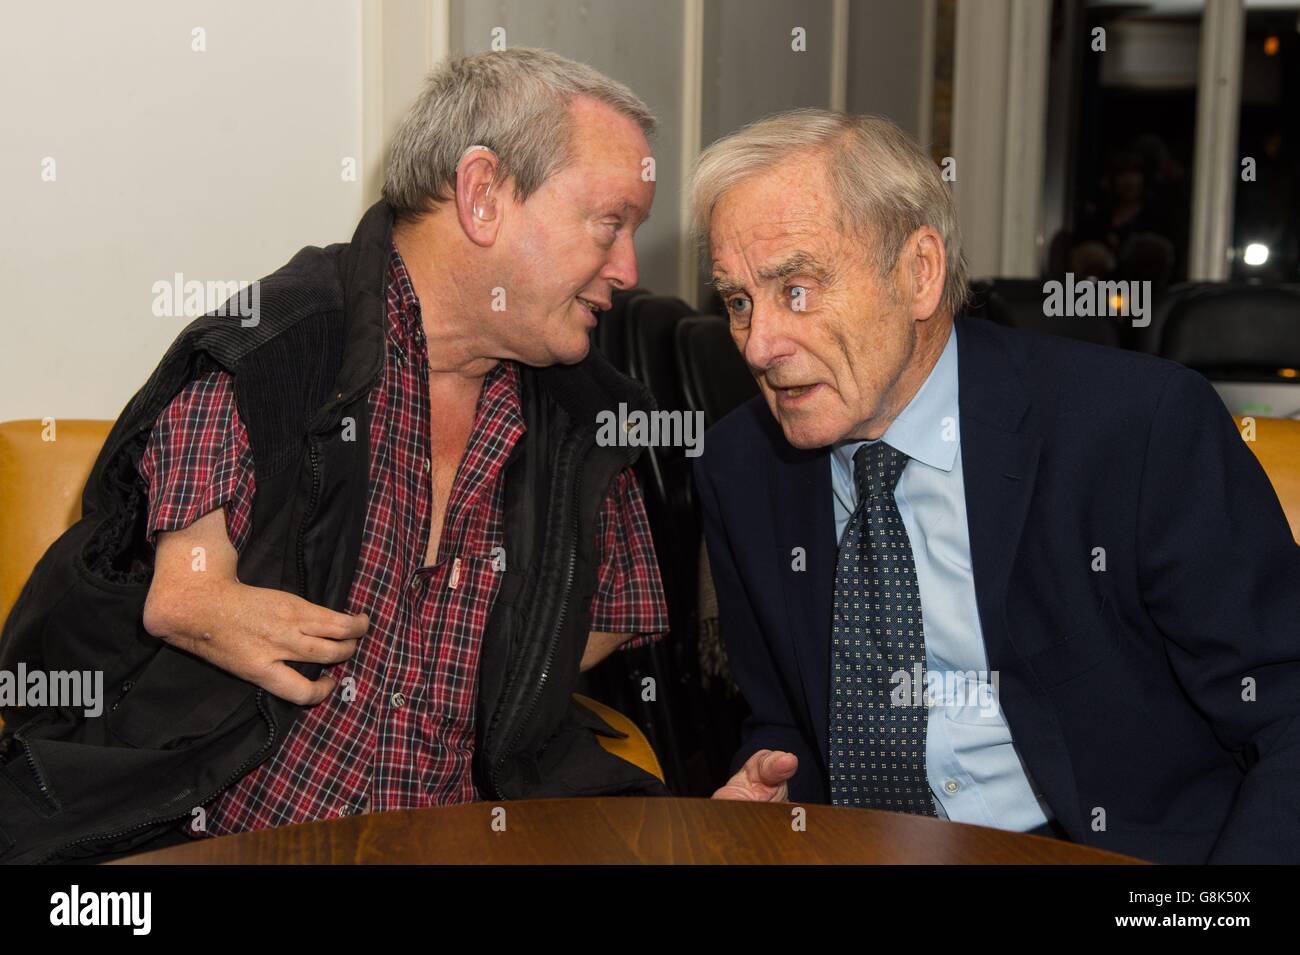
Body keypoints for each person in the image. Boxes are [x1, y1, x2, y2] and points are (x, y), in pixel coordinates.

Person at [0, 48, 668, 864]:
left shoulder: (586, 417)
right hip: (203, 836)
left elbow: (605, 624)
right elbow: (183, 598)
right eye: (610, 222)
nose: (629, 270)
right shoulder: (279, 344)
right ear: (484, 196)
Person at [692, 108, 1300, 864]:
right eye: (738, 301)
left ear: (919, 272)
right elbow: (785, 718)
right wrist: (771, 787)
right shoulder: (740, 467)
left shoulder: (1134, 429)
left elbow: (1285, 713)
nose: (759, 344)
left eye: (798, 289)